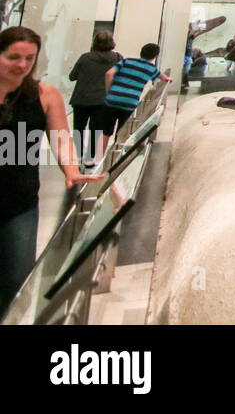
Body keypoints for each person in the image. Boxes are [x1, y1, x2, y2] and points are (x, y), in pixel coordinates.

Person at [1, 27, 102, 315]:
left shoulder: (45, 95)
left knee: (16, 282)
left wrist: (71, 169)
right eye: (13, 57)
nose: (22, 65)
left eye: (29, 59)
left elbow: (61, 139)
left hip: (18, 205)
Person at [67, 30, 121, 168]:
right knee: (96, 129)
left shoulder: (85, 57)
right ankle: (90, 158)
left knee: (78, 128)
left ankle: (77, 156)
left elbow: (72, 76)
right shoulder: (117, 58)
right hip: (103, 100)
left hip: (81, 99)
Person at [103, 44, 172, 148]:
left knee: (106, 131)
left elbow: (109, 73)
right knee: (122, 132)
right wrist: (168, 79)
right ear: (155, 56)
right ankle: (115, 157)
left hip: (112, 100)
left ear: (141, 52)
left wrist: (108, 91)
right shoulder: (151, 68)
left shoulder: (126, 61)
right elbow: (163, 77)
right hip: (129, 102)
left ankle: (99, 158)